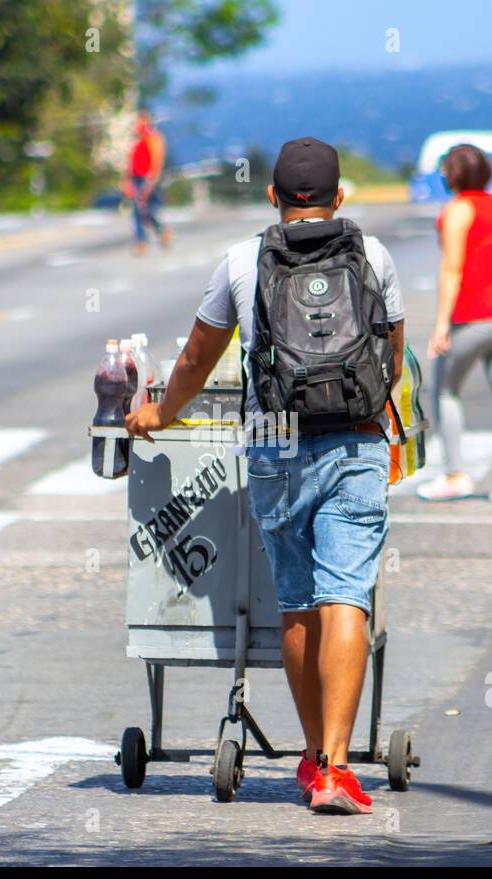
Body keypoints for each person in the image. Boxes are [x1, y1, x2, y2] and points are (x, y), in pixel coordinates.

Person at [125, 137, 405, 815]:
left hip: (276, 443)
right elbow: (392, 359)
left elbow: (196, 357)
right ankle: (337, 766)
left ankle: (316, 760)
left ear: (273, 198)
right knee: (348, 598)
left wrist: (159, 413)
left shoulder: (244, 259)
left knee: (299, 602)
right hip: (356, 441)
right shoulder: (374, 255)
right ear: (340, 197)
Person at [416, 144, 492, 505]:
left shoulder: (457, 210)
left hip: (475, 317)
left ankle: (455, 474)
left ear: (453, 173)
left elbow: (452, 269)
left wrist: (440, 325)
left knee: (446, 390)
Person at [121, 112, 172, 254]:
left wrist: (150, 182)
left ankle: (159, 232)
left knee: (146, 211)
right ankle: (141, 241)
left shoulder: (154, 139)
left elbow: (157, 161)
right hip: (136, 178)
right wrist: (127, 181)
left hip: (148, 178)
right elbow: (130, 163)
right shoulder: (135, 141)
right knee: (138, 211)